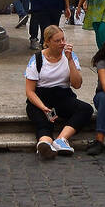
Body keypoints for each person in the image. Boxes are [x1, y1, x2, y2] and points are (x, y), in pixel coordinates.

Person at [25, 24, 93, 159]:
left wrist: (70, 60)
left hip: (63, 97)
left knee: (85, 109)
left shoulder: (70, 56)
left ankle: (61, 139)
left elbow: (77, 84)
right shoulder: (37, 59)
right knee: (44, 123)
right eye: (57, 41)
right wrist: (44, 108)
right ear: (48, 42)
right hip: (41, 98)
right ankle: (44, 144)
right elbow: (30, 91)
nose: (62, 43)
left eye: (63, 39)